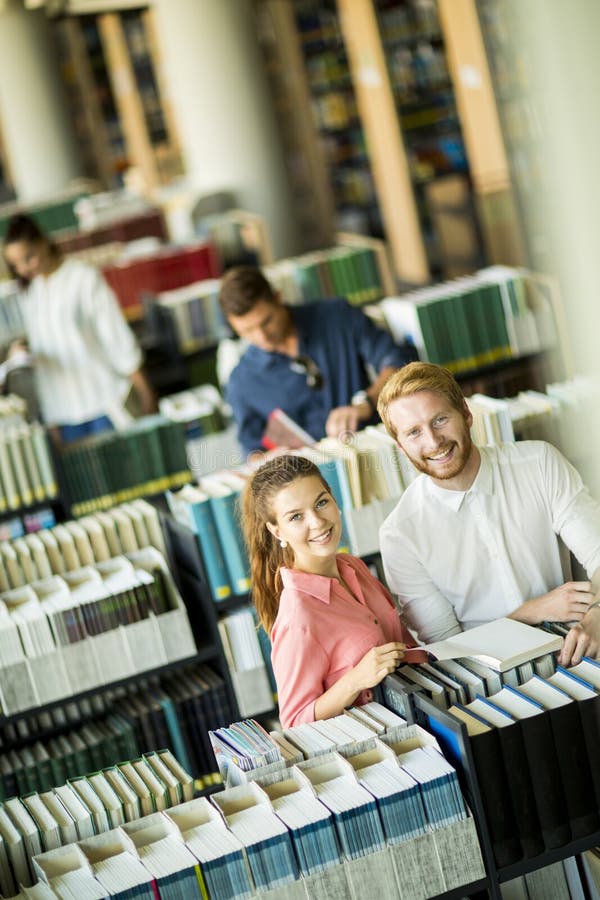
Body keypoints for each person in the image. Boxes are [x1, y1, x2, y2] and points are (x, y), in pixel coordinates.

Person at [377, 361, 600, 666]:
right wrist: (530, 613)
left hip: (573, 647)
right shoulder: (399, 534)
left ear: (466, 415)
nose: (433, 441)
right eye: (413, 433)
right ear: (401, 447)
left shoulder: (539, 462)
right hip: (489, 681)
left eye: (440, 419)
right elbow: (449, 650)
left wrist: (598, 613)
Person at [241, 454, 424, 728]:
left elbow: (405, 644)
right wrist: (354, 681)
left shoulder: (353, 566)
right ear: (277, 531)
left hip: (421, 707)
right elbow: (294, 724)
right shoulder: (298, 618)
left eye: (321, 502)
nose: (316, 522)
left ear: (334, 500)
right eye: (296, 517)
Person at [219, 266, 416, 456]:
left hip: (376, 447)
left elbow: (397, 363)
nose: (262, 337)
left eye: (266, 321)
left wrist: (367, 401)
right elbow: (252, 452)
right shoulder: (240, 383)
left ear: (278, 298)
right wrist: (267, 459)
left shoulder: (337, 316)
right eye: (247, 331)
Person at [2, 214, 156, 444]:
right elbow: (44, 365)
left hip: (104, 403)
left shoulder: (82, 278)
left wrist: (145, 392)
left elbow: (117, 337)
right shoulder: (32, 293)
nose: (24, 268)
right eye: (16, 265)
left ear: (43, 243)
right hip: (64, 415)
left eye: (29, 257)